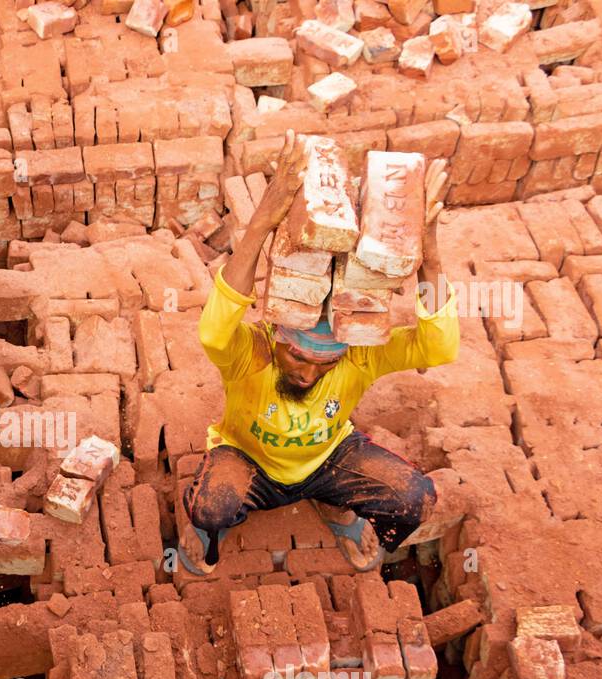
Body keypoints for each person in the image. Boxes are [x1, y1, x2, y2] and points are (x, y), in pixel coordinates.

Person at [180, 130, 459, 575]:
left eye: (325, 361)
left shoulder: (362, 357)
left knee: (414, 498)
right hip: (247, 458)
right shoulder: (250, 352)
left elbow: (438, 347)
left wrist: (429, 253)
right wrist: (263, 223)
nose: (309, 374)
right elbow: (215, 330)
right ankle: (207, 531)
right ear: (275, 333)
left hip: (328, 459)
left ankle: (335, 506)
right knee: (212, 508)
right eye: (298, 357)